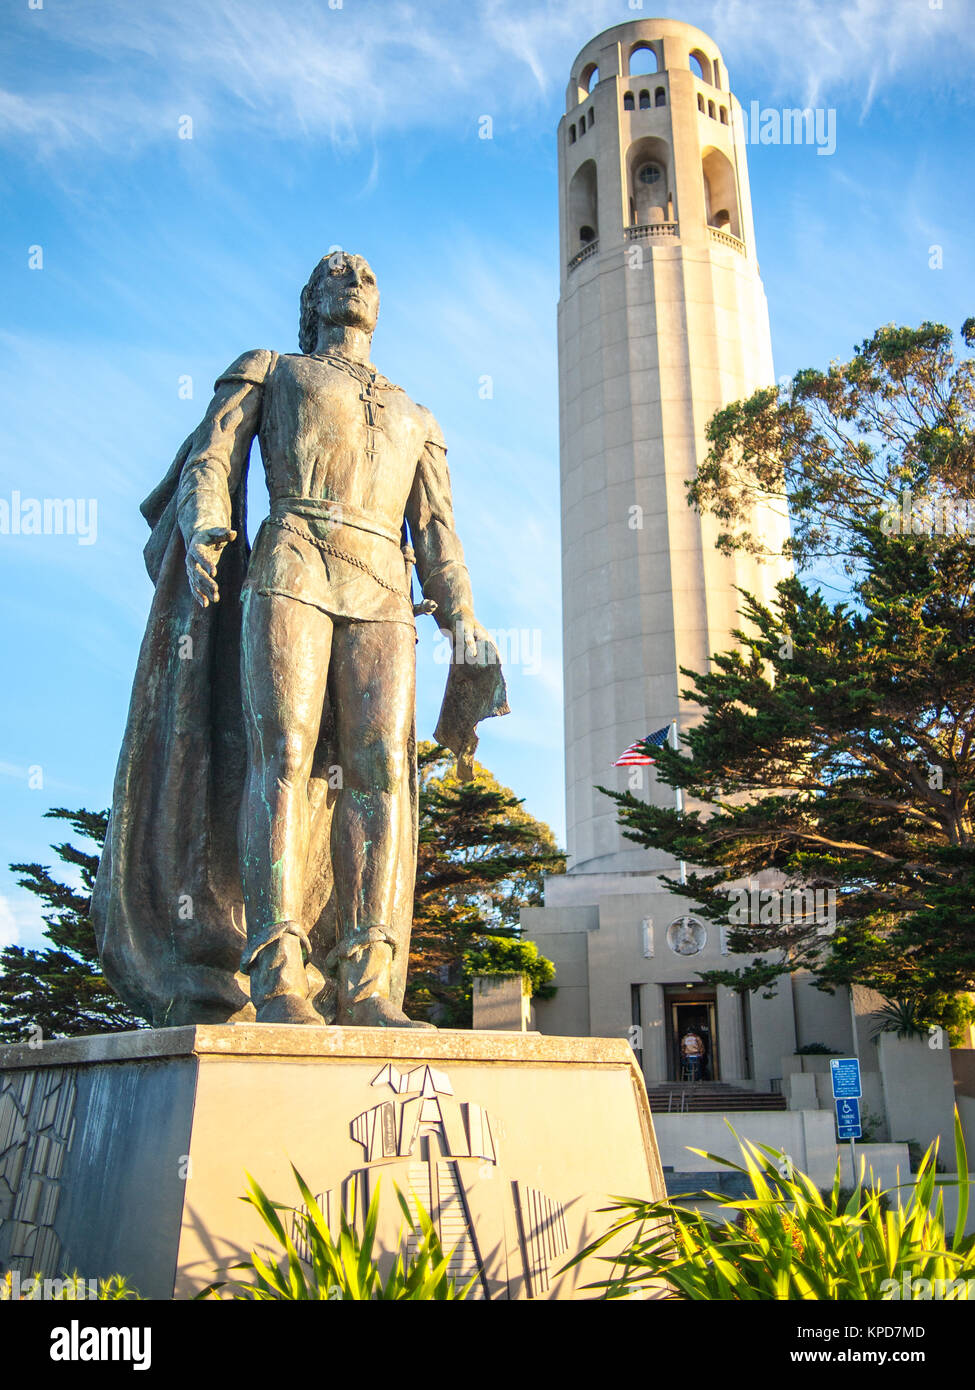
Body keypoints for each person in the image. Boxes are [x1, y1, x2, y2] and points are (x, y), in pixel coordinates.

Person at [93, 252, 507, 1028]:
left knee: (381, 774)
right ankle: (278, 972)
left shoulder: (417, 415)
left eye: (370, 275)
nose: (355, 279)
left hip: (386, 584)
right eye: (336, 272)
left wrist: (463, 615)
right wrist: (207, 520)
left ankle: (369, 984)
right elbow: (211, 456)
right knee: (281, 755)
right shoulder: (270, 369)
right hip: (294, 561)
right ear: (311, 299)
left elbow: (440, 532)